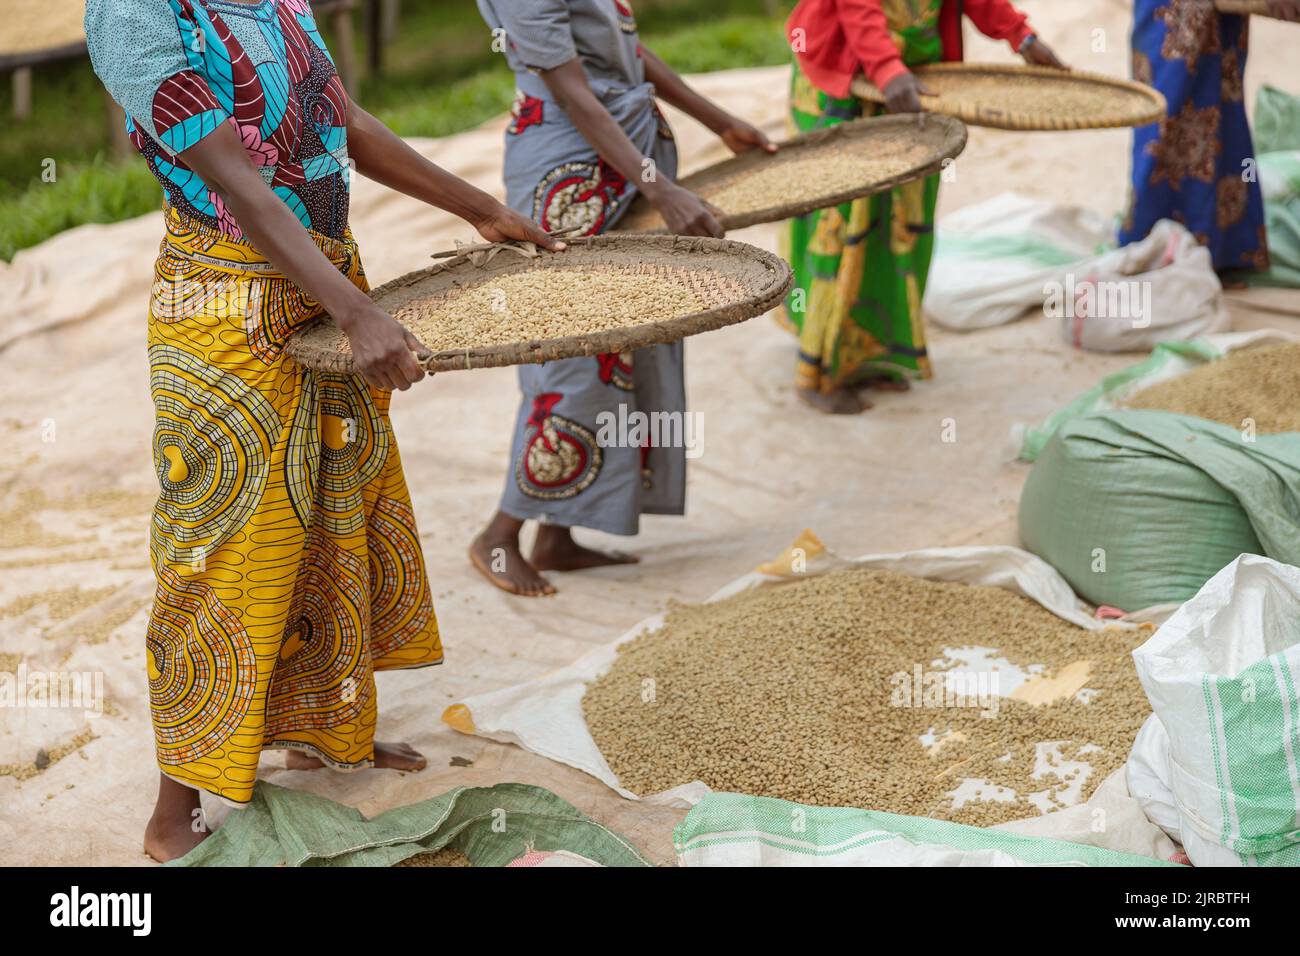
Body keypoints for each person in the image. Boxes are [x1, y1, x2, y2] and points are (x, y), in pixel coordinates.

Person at [84, 0, 558, 863]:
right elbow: (235, 180)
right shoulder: (135, 12)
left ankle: (320, 730)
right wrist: (358, 313)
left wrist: (479, 207)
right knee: (226, 543)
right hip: (226, 305)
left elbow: (341, 117)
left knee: (338, 514)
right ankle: (175, 806)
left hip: (324, 281)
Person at [469, 0, 774, 597]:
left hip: (622, 158)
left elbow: (625, 54)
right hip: (570, 173)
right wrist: (661, 189)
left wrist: (720, 122)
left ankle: (558, 536)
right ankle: (500, 535)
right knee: (575, 354)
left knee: (632, 340)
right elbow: (573, 92)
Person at [783, 0, 1064, 414]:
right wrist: (887, 68)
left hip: (910, 83)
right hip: (847, 75)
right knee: (840, 228)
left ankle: (868, 355)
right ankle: (818, 373)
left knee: (897, 225)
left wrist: (1021, 37)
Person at [1119, 0, 1300, 284]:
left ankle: (1223, 252)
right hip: (1174, 11)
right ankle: (1153, 250)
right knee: (1168, 120)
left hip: (1219, 14)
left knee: (1222, 108)